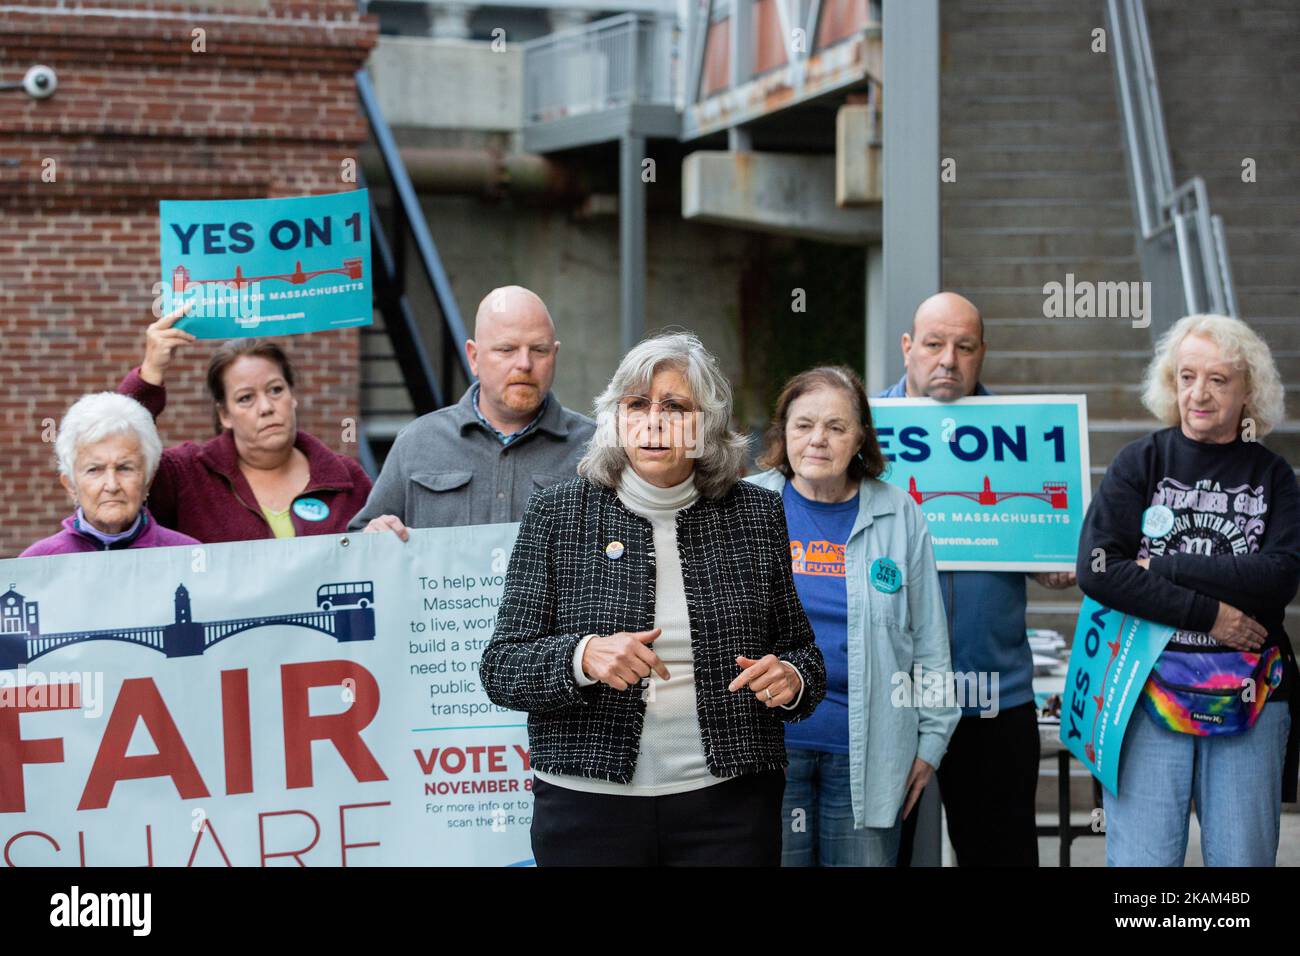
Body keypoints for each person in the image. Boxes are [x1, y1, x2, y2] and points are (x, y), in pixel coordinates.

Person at [480, 331, 827, 866]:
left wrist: (793, 679)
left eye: (676, 406)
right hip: (588, 810)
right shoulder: (558, 512)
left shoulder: (756, 514)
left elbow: (802, 652)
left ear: (706, 423)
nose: (654, 419)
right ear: (616, 419)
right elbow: (501, 667)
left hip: (730, 807)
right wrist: (582, 656)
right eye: (637, 404)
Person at [1076, 313, 1299, 867]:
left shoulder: (1274, 476)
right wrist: (1209, 615)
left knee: (1242, 865)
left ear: (1250, 390)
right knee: (1143, 869)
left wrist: (1167, 566)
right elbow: (1100, 568)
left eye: (1218, 380)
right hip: (1144, 693)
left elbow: (1279, 577)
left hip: (1252, 696)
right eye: (1186, 376)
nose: (1198, 394)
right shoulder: (1139, 462)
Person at [878, 291, 1075, 866]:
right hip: (889, 691)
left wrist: (1055, 559)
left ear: (983, 352)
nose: (949, 360)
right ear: (908, 348)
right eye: (935, 344)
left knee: (1001, 856)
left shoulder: (1027, 438)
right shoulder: (859, 433)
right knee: (881, 854)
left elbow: (1049, 544)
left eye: (965, 347)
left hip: (994, 692)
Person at [748, 366, 958, 866]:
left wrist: (931, 742)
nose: (818, 439)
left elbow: (929, 639)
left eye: (836, 427)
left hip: (870, 754)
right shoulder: (747, 505)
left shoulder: (899, 513)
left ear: (860, 436)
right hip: (768, 749)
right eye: (803, 425)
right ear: (784, 432)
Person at [351, 286, 595, 536]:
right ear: (474, 357)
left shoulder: (595, 449)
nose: (524, 363)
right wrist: (374, 537)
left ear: (554, 355)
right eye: (506, 349)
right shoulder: (416, 442)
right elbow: (359, 544)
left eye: (539, 350)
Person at [116, 308, 372, 542]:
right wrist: (150, 374)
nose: (266, 407)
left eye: (275, 390)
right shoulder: (184, 476)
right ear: (224, 414)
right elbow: (116, 448)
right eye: (246, 398)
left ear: (292, 396)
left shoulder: (348, 479)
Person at [22, 392, 199, 556]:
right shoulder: (38, 563)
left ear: (148, 481)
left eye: (125, 468)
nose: (112, 485)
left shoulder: (187, 557)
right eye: (94, 470)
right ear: (70, 485)